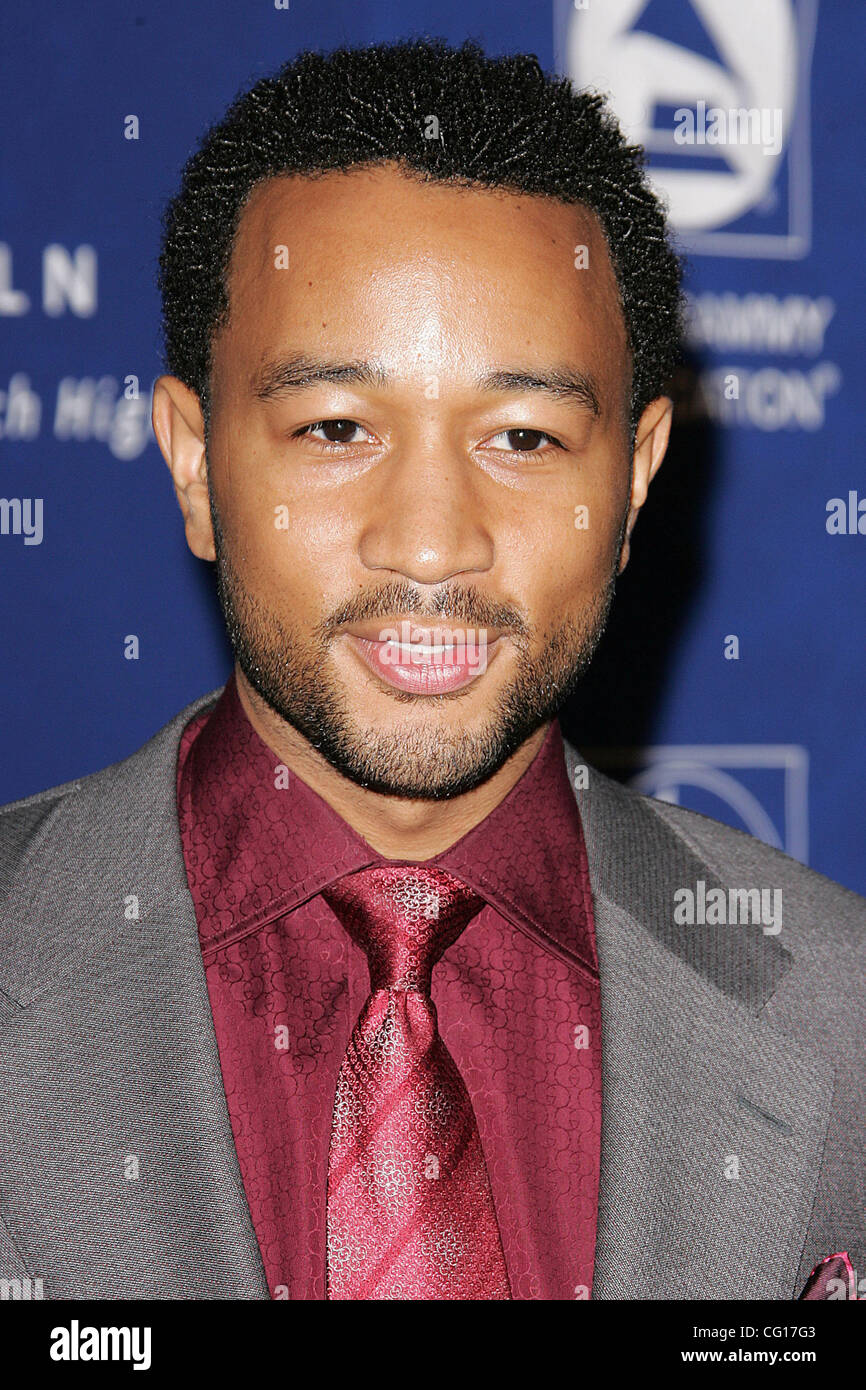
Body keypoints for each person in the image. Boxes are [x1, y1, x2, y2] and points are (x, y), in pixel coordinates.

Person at [1, 38, 863, 1302]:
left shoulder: (840, 1019)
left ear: (631, 479)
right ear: (193, 462)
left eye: (522, 436)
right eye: (335, 428)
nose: (428, 541)